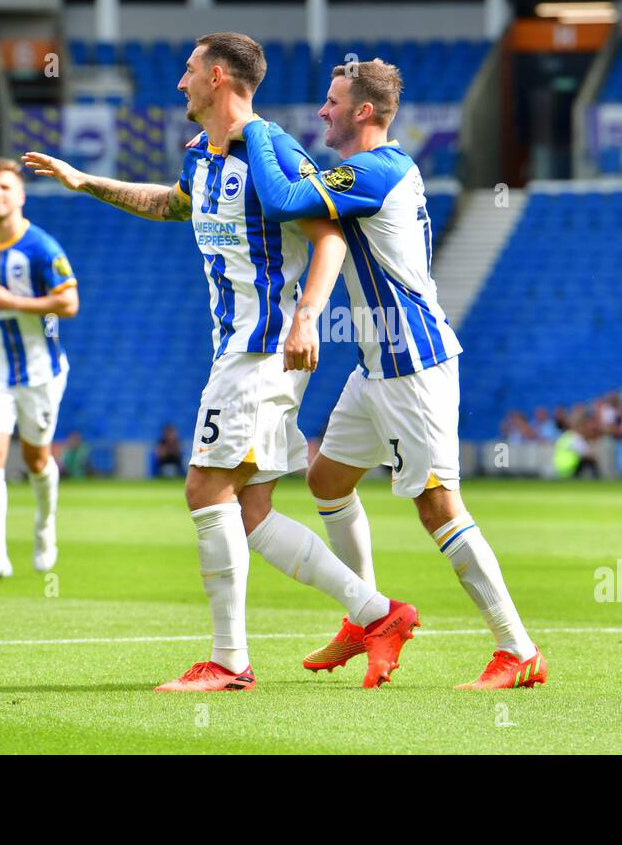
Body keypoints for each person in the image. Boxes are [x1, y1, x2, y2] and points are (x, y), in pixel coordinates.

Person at [25, 33, 416, 692]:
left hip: (261, 347)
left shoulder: (273, 152)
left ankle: (231, 660)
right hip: (242, 350)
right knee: (253, 513)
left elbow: (328, 239)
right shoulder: (201, 157)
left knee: (205, 490)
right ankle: (377, 613)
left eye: (186, 71)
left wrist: (307, 315)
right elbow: (173, 205)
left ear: (216, 76)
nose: (178, 83)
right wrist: (85, 181)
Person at [233, 58, 547, 690]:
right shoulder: (370, 172)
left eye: (331, 101)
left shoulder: (378, 170)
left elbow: (285, 198)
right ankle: (370, 617)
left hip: (414, 366)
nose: (322, 111)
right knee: (325, 480)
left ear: (363, 112)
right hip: (375, 365)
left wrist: (256, 129)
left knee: (438, 506)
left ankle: (518, 650)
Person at [0, 157, 77, 578]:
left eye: (5, 187)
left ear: (21, 195)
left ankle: (45, 525)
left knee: (35, 460)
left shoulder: (42, 248)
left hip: (39, 373)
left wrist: (18, 304)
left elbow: (70, 303)